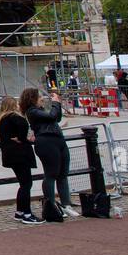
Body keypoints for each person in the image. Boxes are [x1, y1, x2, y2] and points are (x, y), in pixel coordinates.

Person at [22, 87, 79, 221]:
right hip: (46, 142)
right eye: (39, 96)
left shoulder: (40, 110)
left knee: (63, 173)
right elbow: (52, 116)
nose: (42, 98)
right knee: (51, 174)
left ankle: (66, 204)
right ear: (33, 99)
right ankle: (50, 204)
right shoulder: (32, 112)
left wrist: (56, 104)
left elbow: (57, 117)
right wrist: (55, 103)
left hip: (58, 140)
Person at [0, 95, 43, 225]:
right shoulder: (14, 118)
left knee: (23, 183)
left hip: (10, 154)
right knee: (26, 184)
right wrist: (23, 138)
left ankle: (20, 211)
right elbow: (23, 130)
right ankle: (26, 213)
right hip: (19, 154)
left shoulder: (1, 120)